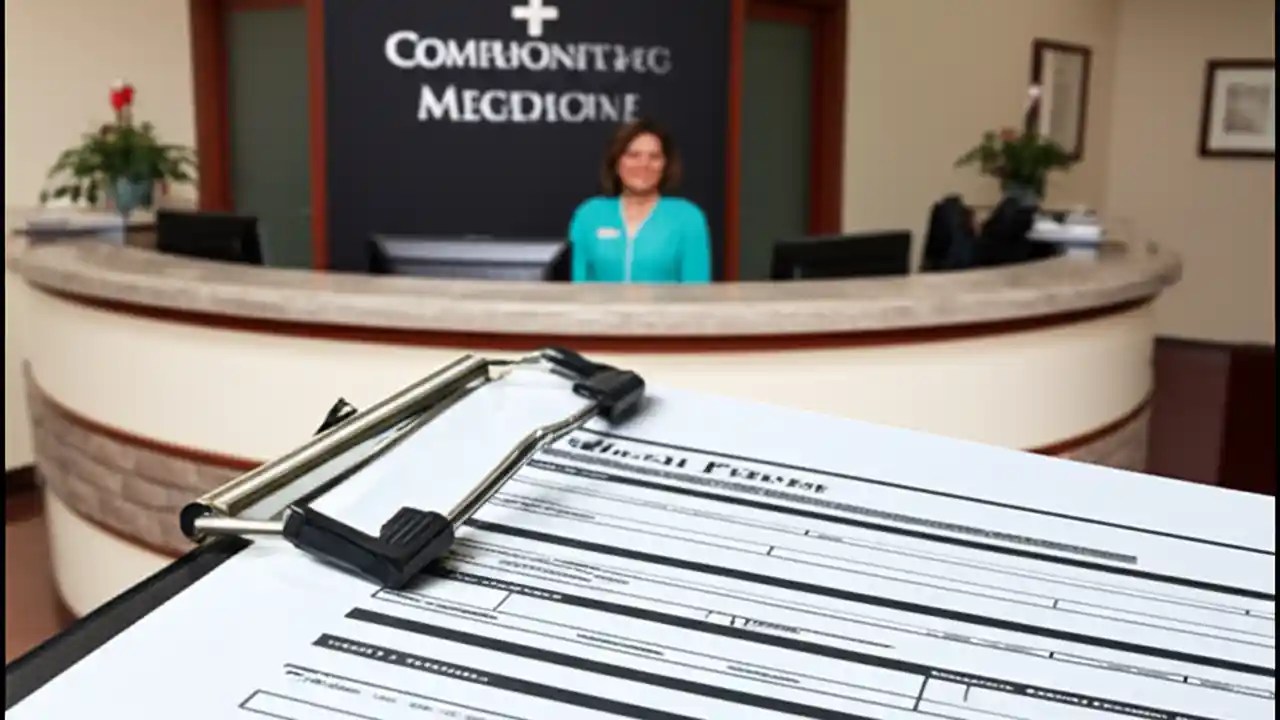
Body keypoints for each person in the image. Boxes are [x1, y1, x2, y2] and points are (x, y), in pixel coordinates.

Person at [568, 119, 712, 283]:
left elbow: (697, 293)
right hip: (601, 309)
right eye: (633, 155)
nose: (644, 164)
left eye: (654, 157)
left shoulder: (688, 218)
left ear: (665, 165)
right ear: (616, 162)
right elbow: (576, 288)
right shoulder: (589, 215)